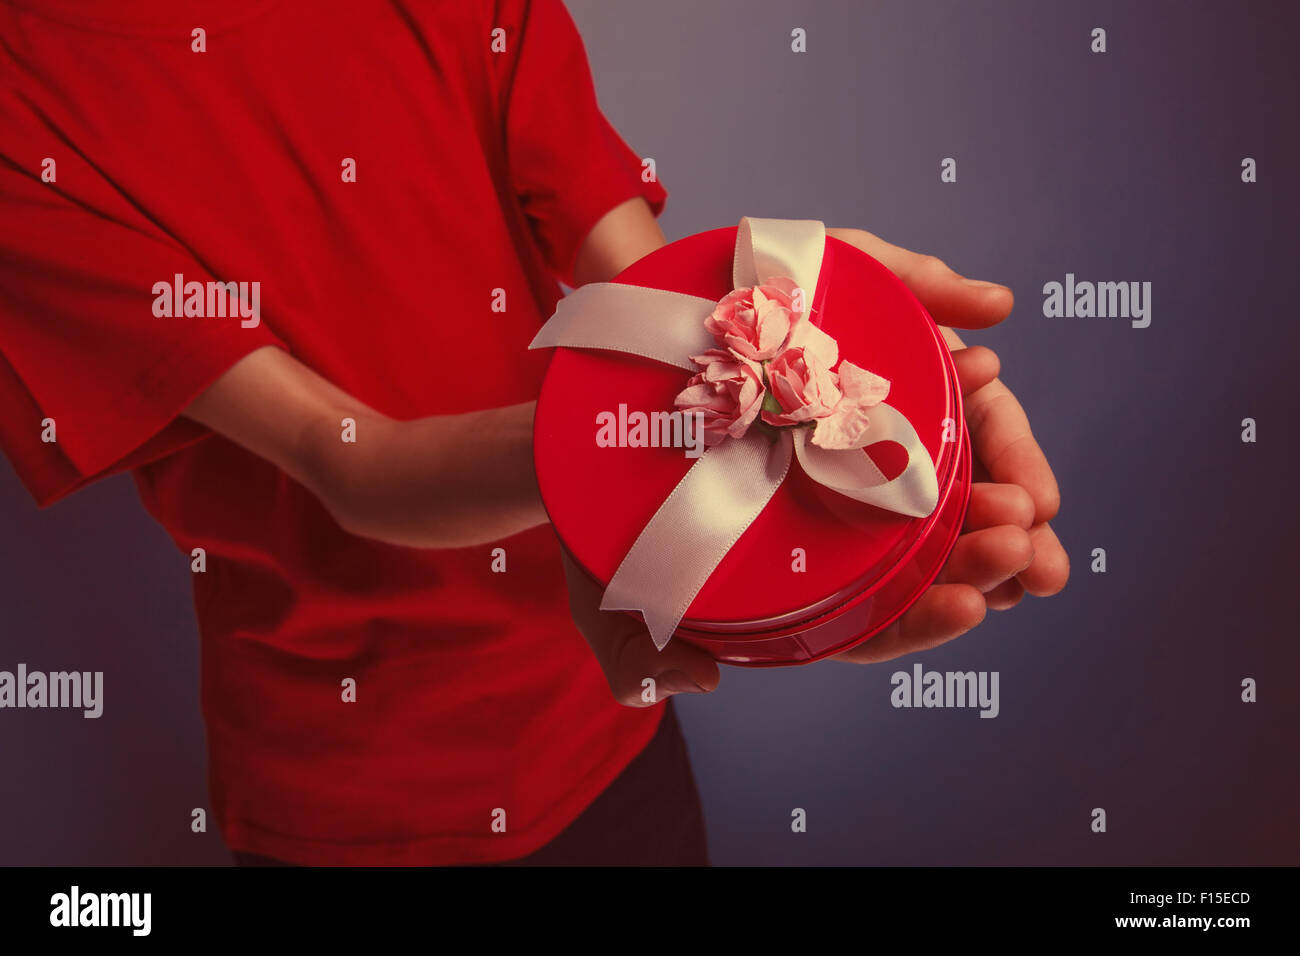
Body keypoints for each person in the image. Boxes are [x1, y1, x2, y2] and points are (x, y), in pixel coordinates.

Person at [0, 0, 1068, 866]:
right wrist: (675, 422)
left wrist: (821, 353)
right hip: (351, 800)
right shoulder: (20, 114)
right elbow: (350, 459)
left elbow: (648, 309)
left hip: (608, 710)